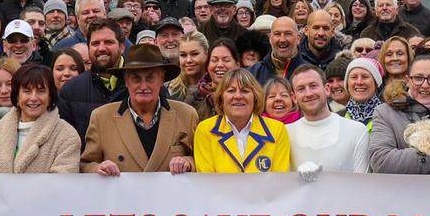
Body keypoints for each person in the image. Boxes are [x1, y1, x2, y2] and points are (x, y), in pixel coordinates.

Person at [0, 63, 84, 208]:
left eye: (41, 91)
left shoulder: (67, 136)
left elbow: (61, 189)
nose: (33, 98)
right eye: (27, 91)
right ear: (16, 95)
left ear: (51, 95)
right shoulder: (0, 130)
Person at [82, 44, 199, 176]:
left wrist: (187, 163)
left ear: (162, 79)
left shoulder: (187, 115)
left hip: (170, 196)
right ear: (126, 81)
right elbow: (86, 164)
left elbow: (202, 161)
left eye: (150, 78)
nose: (143, 86)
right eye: (136, 79)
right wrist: (98, 168)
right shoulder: (101, 117)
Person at [370, 56, 430, 175]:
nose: (425, 85)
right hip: (406, 191)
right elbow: (381, 162)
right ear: (408, 80)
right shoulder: (385, 112)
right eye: (418, 78)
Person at [193, 71, 290, 174]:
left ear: (255, 97)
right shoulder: (205, 130)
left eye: (245, 91)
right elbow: (207, 182)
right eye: (231, 91)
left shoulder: (277, 130)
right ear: (221, 98)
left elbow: (280, 182)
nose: (238, 96)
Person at [285, 64, 371, 175]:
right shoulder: (286, 133)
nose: (309, 93)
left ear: (327, 89)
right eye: (301, 89)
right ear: (294, 98)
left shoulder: (357, 131)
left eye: (313, 86)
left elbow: (362, 184)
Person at [56, 18, 127, 136]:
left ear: (122, 46)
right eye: (95, 43)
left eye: (108, 42)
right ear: (88, 47)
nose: (102, 48)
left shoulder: (143, 85)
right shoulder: (71, 90)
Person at [338, 57, 386, 129]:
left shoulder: (387, 116)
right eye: (354, 77)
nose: (359, 82)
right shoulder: (338, 118)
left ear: (376, 83)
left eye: (365, 77)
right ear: (347, 84)